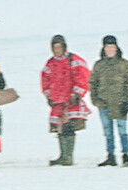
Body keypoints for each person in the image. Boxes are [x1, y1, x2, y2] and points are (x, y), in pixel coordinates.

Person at [42, 34, 91, 166]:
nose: (57, 50)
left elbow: (83, 76)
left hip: (71, 99)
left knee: (69, 126)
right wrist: (48, 96)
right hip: (58, 100)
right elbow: (45, 79)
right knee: (60, 127)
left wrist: (77, 93)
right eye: (55, 47)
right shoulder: (51, 63)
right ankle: (63, 155)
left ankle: (68, 157)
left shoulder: (74, 60)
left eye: (59, 47)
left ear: (64, 47)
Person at [89, 35, 128, 167]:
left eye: (112, 47)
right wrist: (96, 100)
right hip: (104, 103)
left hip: (120, 103)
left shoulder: (124, 64)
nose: (110, 50)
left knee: (122, 130)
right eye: (107, 47)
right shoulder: (99, 65)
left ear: (116, 48)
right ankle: (111, 156)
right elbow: (93, 83)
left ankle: (125, 156)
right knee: (108, 131)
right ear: (104, 49)